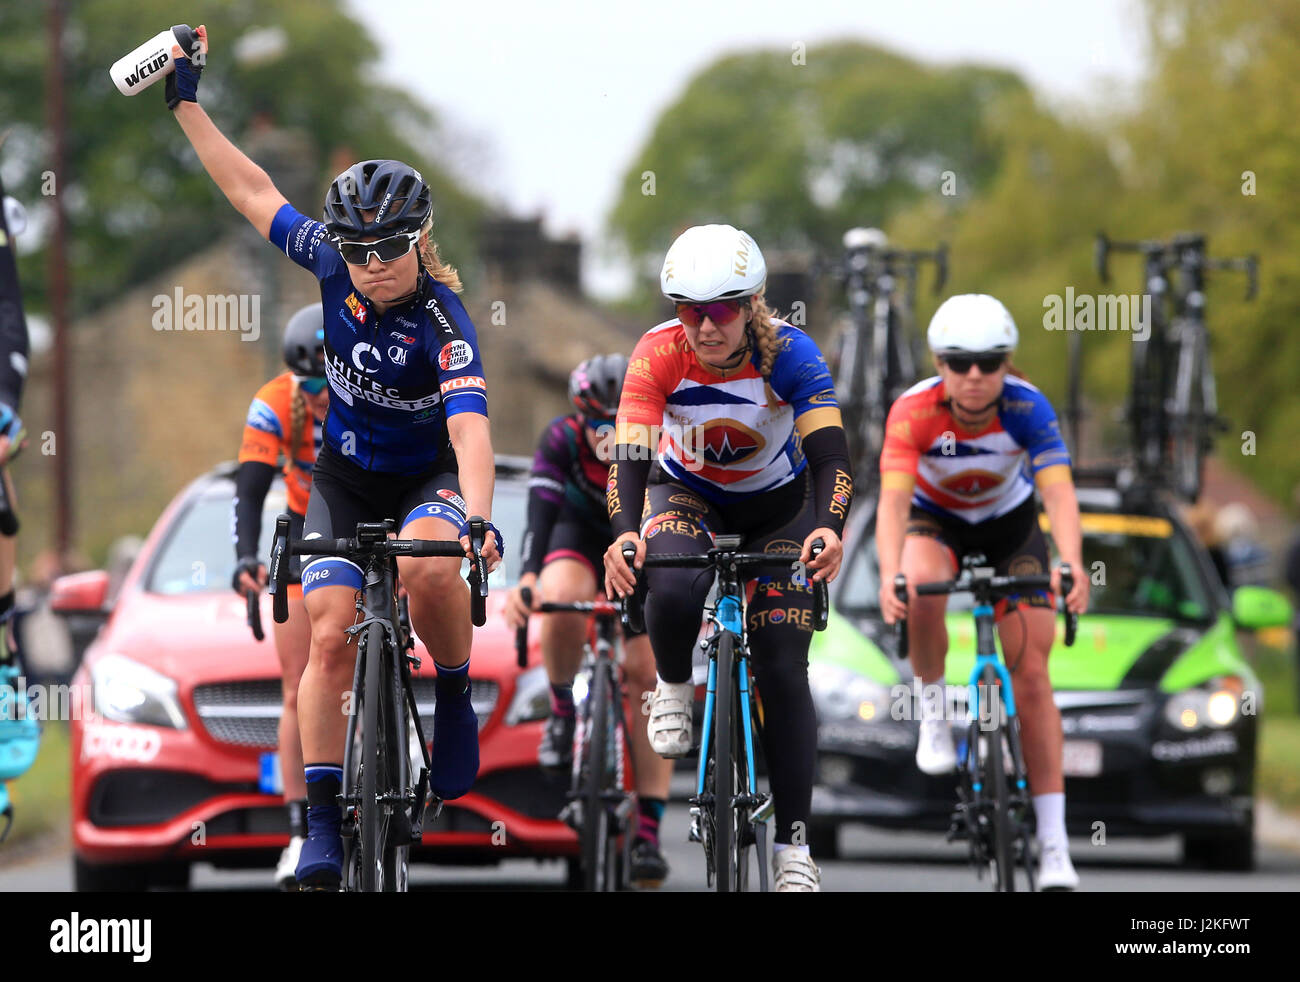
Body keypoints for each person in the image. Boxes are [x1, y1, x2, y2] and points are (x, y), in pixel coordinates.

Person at [161, 27, 504, 890]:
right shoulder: (329, 268)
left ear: (420, 242)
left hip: (425, 477)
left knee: (429, 574)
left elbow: (469, 433)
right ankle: (320, 824)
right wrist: (187, 103)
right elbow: (250, 189)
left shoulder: (444, 324)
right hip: (344, 480)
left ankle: (454, 695)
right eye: (357, 252)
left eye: (390, 249)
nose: (372, 266)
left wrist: (482, 520)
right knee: (324, 634)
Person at [602, 224, 854, 892]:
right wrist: (626, 532)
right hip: (688, 493)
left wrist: (827, 529)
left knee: (781, 662)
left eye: (720, 310)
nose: (705, 326)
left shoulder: (792, 355)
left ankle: (794, 848)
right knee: (674, 583)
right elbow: (628, 458)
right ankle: (675, 683)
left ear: (751, 305)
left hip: (781, 507)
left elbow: (832, 461)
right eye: (689, 310)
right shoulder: (657, 353)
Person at [875, 293, 1089, 891]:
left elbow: (1059, 494)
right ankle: (935, 713)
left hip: (1009, 526)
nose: (975, 376)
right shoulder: (914, 412)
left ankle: (1053, 844)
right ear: (940, 364)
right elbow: (892, 502)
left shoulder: (1027, 407)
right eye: (960, 362)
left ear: (1007, 363)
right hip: (933, 519)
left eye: (989, 363)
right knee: (919, 587)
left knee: (1034, 674)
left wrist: (1071, 563)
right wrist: (891, 571)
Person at [503, 354, 675, 886]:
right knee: (559, 596)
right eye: (598, 424)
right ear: (580, 416)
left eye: (617, 423)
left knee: (648, 676)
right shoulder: (560, 439)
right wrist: (528, 576)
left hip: (639, 546)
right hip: (577, 537)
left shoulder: (664, 441)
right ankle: (561, 711)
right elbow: (540, 513)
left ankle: (647, 829)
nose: (607, 435)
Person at [231, 304, 328, 889]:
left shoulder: (365, 391)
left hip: (372, 518)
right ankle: (298, 830)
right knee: (296, 685)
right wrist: (245, 557)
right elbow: (247, 492)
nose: (320, 395)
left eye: (328, 380)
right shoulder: (275, 402)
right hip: (303, 526)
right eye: (308, 383)